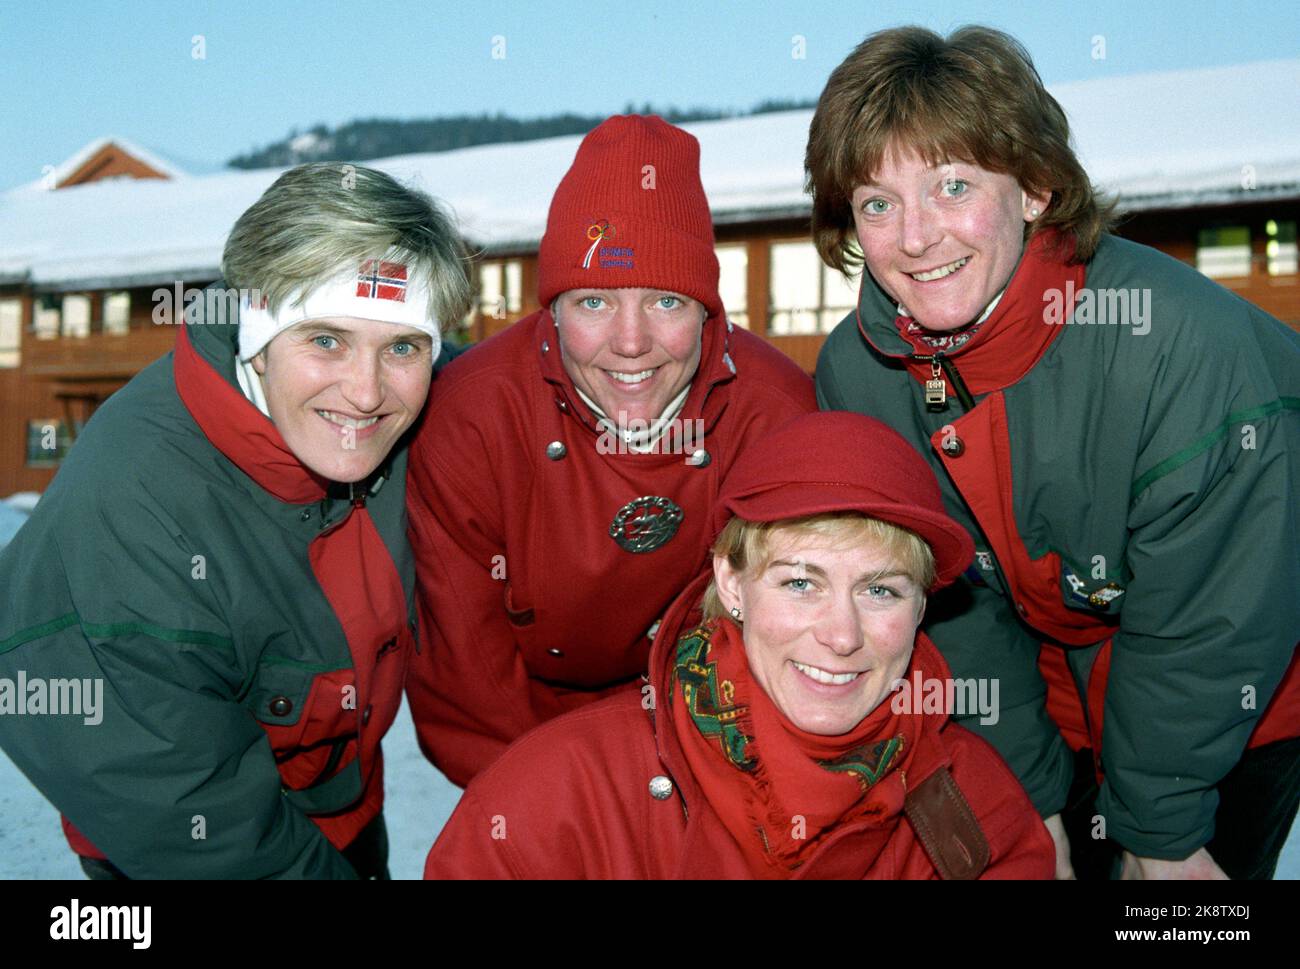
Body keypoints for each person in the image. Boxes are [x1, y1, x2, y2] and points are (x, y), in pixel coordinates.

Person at [807, 25, 1300, 879]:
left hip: (1239, 692)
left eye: (953, 185)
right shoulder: (862, 369)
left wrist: (1163, 829)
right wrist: (1026, 793)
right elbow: (945, 598)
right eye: (877, 203)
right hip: (1051, 689)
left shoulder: (1174, 347)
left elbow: (1213, 621)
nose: (916, 237)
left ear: (1035, 186)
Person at [0, 163, 469, 878]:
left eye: (402, 347)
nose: (368, 392)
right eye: (325, 340)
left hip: (343, 809)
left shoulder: (402, 412)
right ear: (256, 331)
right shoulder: (134, 513)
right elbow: (201, 823)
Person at [424, 411, 1054, 879]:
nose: (841, 636)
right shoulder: (557, 792)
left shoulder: (971, 802)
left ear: (923, 606)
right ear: (733, 583)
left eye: (881, 591)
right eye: (801, 582)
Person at [404, 114, 816, 787]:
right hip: (528, 740)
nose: (630, 342)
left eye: (666, 302)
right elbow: (469, 676)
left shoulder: (776, 413)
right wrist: (557, 814)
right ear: (553, 310)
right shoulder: (471, 416)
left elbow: (794, 637)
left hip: (710, 734)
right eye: (594, 300)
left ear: (710, 311)